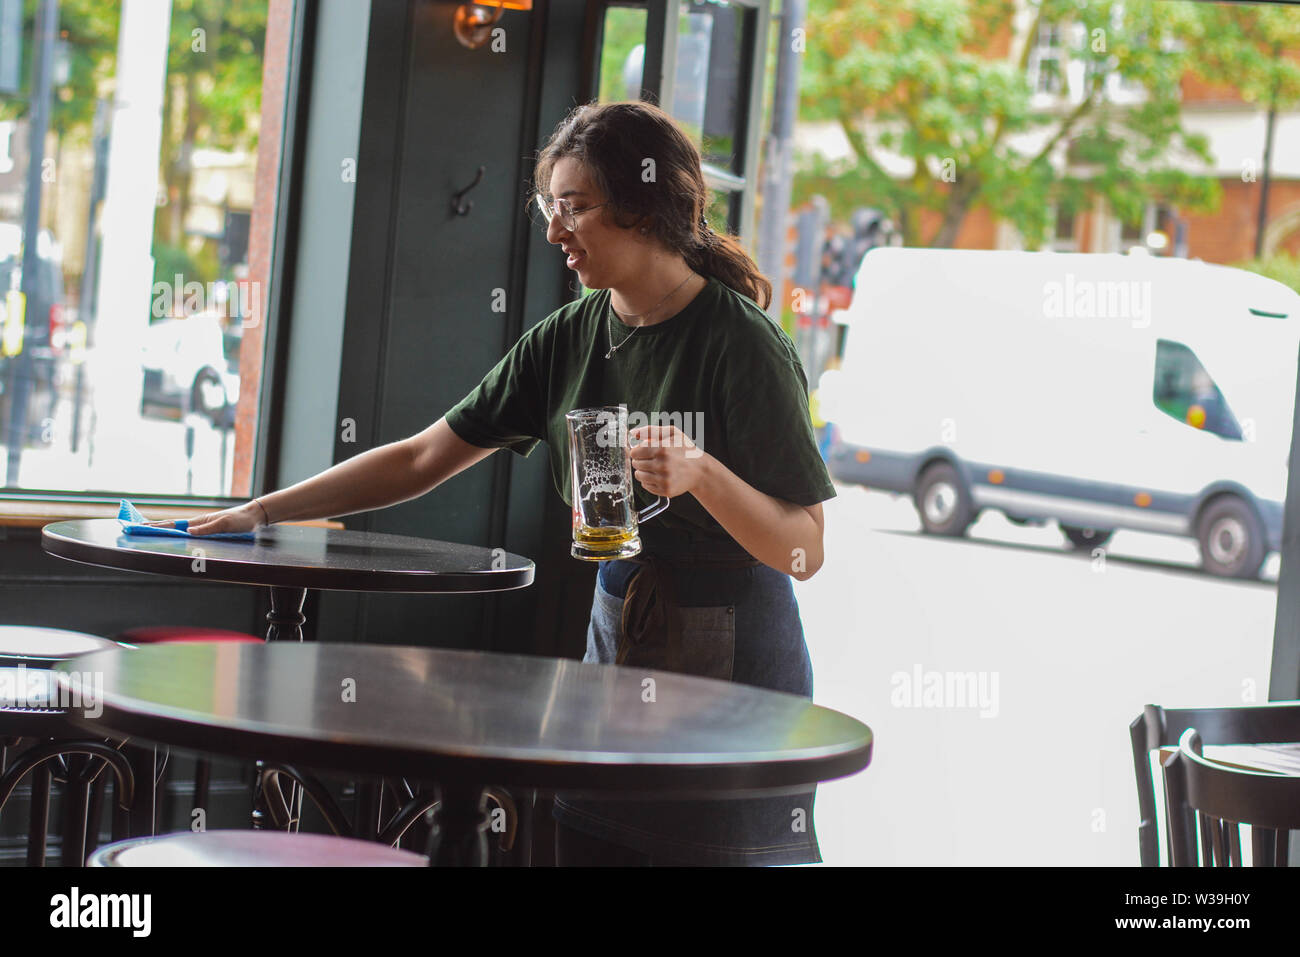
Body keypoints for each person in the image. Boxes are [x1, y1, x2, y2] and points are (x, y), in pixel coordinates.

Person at [172, 101, 836, 866]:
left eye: (575, 208)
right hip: (616, 630)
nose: (555, 232)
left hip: (735, 664)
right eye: (551, 208)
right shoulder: (568, 336)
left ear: (643, 205)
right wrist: (262, 508)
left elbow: (804, 551)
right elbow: (423, 457)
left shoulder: (743, 344)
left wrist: (703, 473)